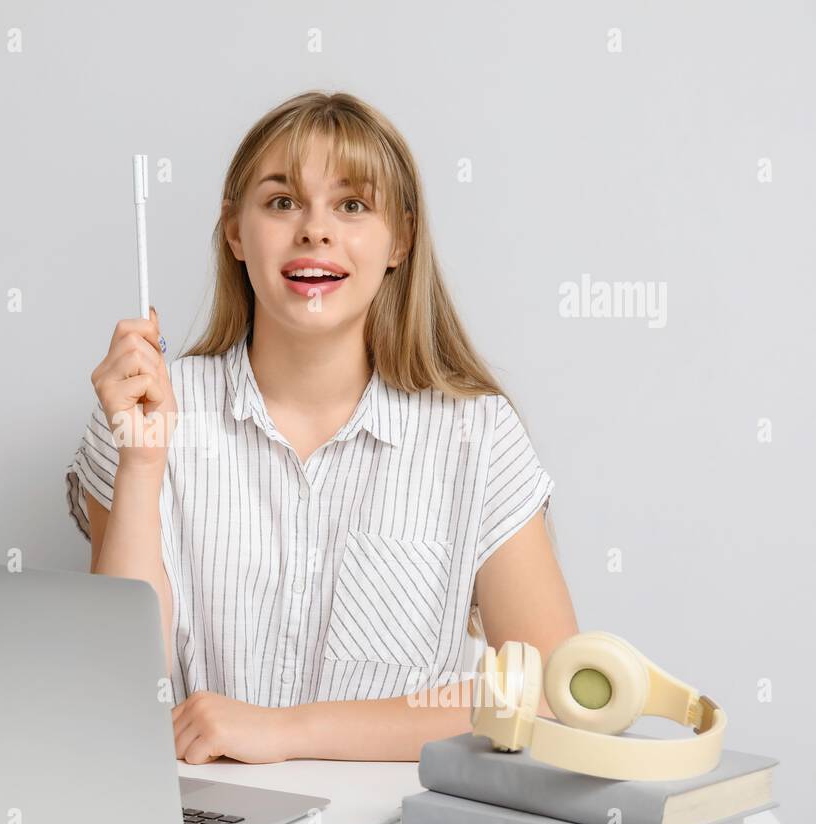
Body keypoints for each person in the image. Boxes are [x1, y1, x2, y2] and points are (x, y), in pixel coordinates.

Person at [65, 91, 577, 764]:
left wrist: (285, 731)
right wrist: (142, 465)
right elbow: (115, 689)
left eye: (353, 205)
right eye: (282, 202)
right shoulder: (144, 411)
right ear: (235, 232)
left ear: (400, 240)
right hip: (198, 819)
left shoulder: (476, 435)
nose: (315, 229)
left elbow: (549, 695)